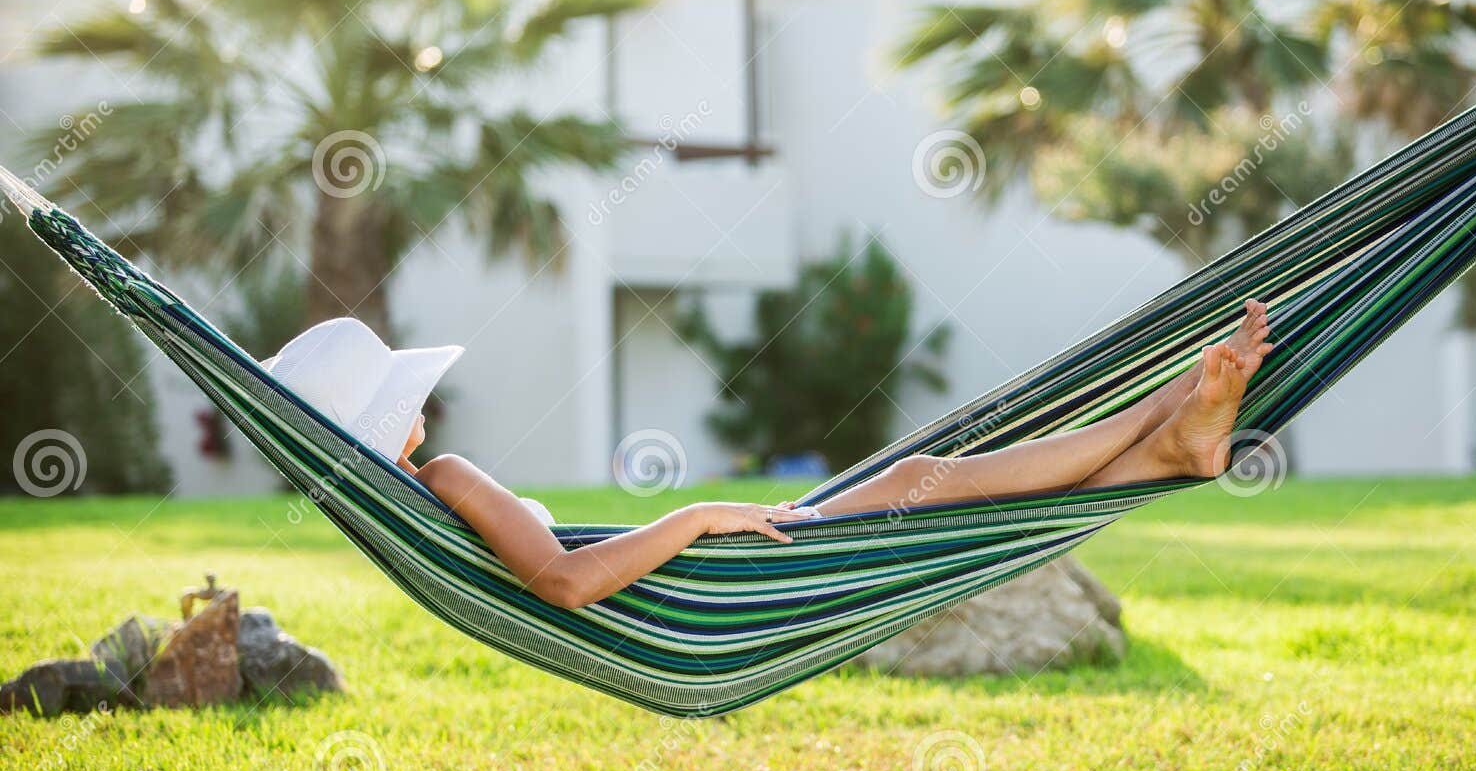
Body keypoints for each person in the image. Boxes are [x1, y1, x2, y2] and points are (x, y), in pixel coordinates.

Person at [262, 302, 1273, 610]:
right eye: (407, 401)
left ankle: (1176, 436)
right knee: (932, 484)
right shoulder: (445, 479)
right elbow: (566, 580)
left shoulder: (405, 508)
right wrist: (695, 516)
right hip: (712, 584)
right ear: (384, 423)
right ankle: (1174, 408)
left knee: (928, 489)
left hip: (698, 600)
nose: (425, 414)